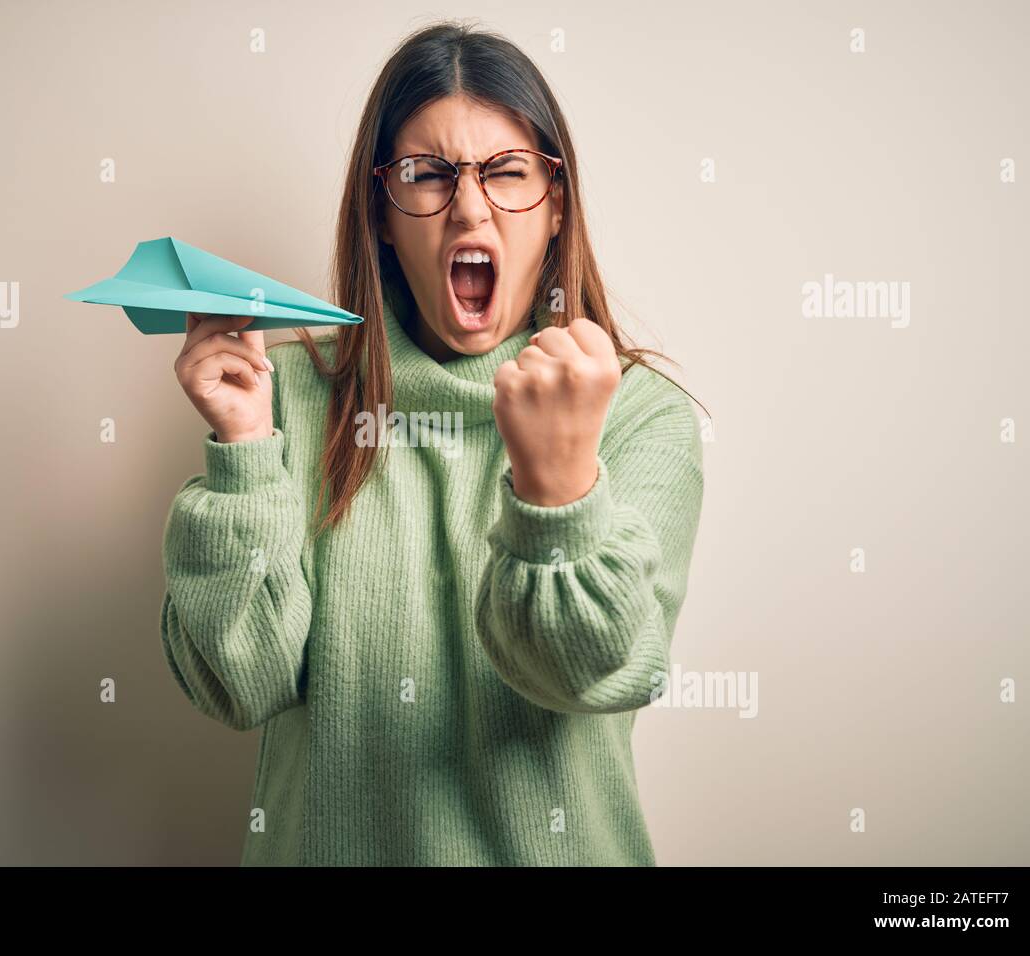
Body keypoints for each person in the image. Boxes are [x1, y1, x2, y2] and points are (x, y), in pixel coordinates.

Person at [160, 20, 707, 866]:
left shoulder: (639, 414)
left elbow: (592, 673)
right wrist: (242, 453)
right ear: (381, 212)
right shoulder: (293, 394)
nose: (470, 207)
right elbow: (241, 683)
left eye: (507, 172)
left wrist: (557, 486)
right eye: (427, 175)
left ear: (556, 206)